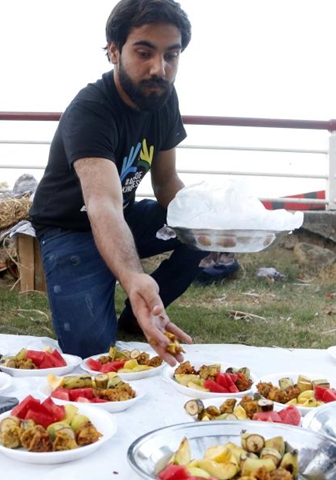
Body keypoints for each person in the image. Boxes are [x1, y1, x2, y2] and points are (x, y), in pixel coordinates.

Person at [29, 0, 206, 365]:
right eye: (144, 52)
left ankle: (134, 315)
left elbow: (167, 183)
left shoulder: (163, 98)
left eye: (171, 55)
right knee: (91, 351)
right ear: (113, 51)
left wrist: (215, 225)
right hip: (69, 229)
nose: (159, 68)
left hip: (121, 217)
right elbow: (101, 203)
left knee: (198, 230)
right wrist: (132, 274)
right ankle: (133, 293)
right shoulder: (90, 110)